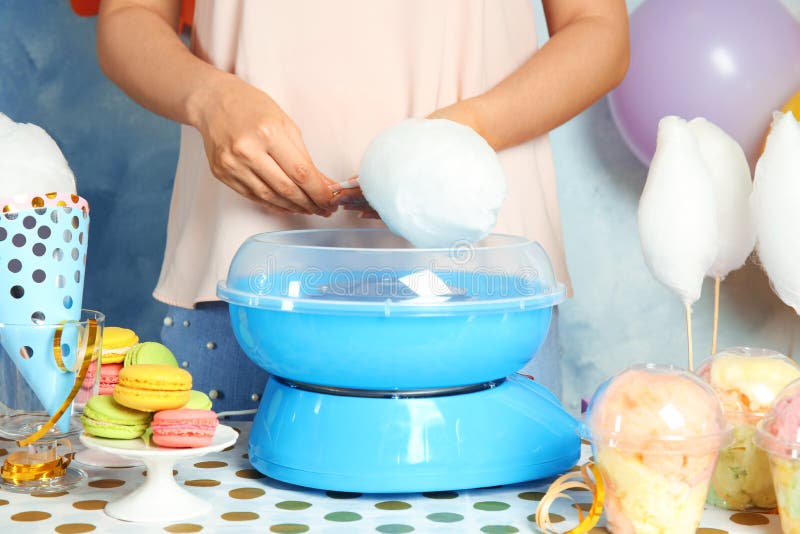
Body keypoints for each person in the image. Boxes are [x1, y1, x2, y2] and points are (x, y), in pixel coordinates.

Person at [96, 0, 629, 413]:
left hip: (482, 285)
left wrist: (463, 134)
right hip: (237, 280)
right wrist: (207, 98)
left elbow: (597, 29)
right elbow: (128, 16)